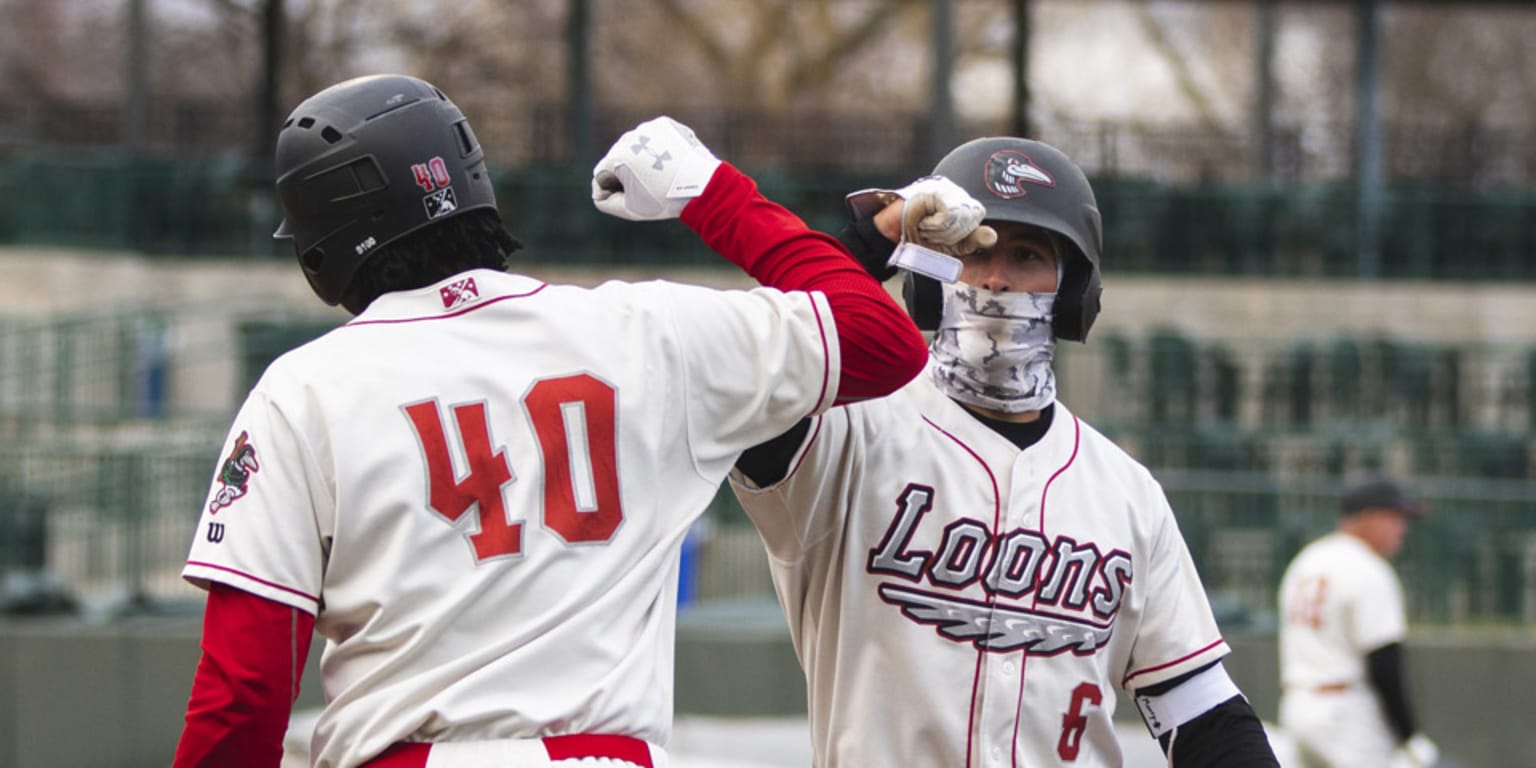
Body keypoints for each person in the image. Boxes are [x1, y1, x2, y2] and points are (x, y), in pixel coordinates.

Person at [172, 73, 960, 768]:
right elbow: (880, 340)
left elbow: (243, 693)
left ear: (322, 245)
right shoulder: (644, 331)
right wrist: (712, 192)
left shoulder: (304, 387)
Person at [729, 136, 1280, 766]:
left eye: (1027, 254)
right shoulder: (846, 434)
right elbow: (758, 360)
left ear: (1072, 288)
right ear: (928, 276)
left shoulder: (1125, 492)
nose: (995, 277)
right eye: (968, 250)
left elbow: (1198, 707)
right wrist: (874, 239)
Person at [1278, 474, 1440, 768]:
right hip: (1345, 716)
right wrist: (1410, 735)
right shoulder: (1369, 569)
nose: (1402, 527)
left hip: (1296, 707)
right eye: (1395, 516)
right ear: (1367, 516)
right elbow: (1384, 665)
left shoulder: (1307, 560)